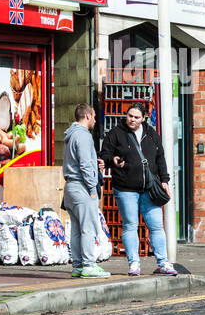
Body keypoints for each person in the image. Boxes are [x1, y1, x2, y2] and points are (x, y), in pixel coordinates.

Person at [98, 101, 177, 276]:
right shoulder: (116, 133)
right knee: (130, 225)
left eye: (136, 117)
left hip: (149, 188)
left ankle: (163, 263)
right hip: (125, 188)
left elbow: (160, 158)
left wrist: (164, 180)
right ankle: (134, 264)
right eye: (129, 115)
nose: (131, 119)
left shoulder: (151, 134)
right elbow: (104, 155)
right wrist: (114, 161)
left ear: (143, 118)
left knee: (156, 226)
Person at [62, 103, 108, 278]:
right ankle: (89, 265)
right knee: (88, 228)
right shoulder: (83, 135)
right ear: (87, 116)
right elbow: (84, 164)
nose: (95, 120)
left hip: (70, 187)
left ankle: (78, 266)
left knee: (76, 229)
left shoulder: (70, 135)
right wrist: (92, 188)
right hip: (82, 187)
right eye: (94, 116)